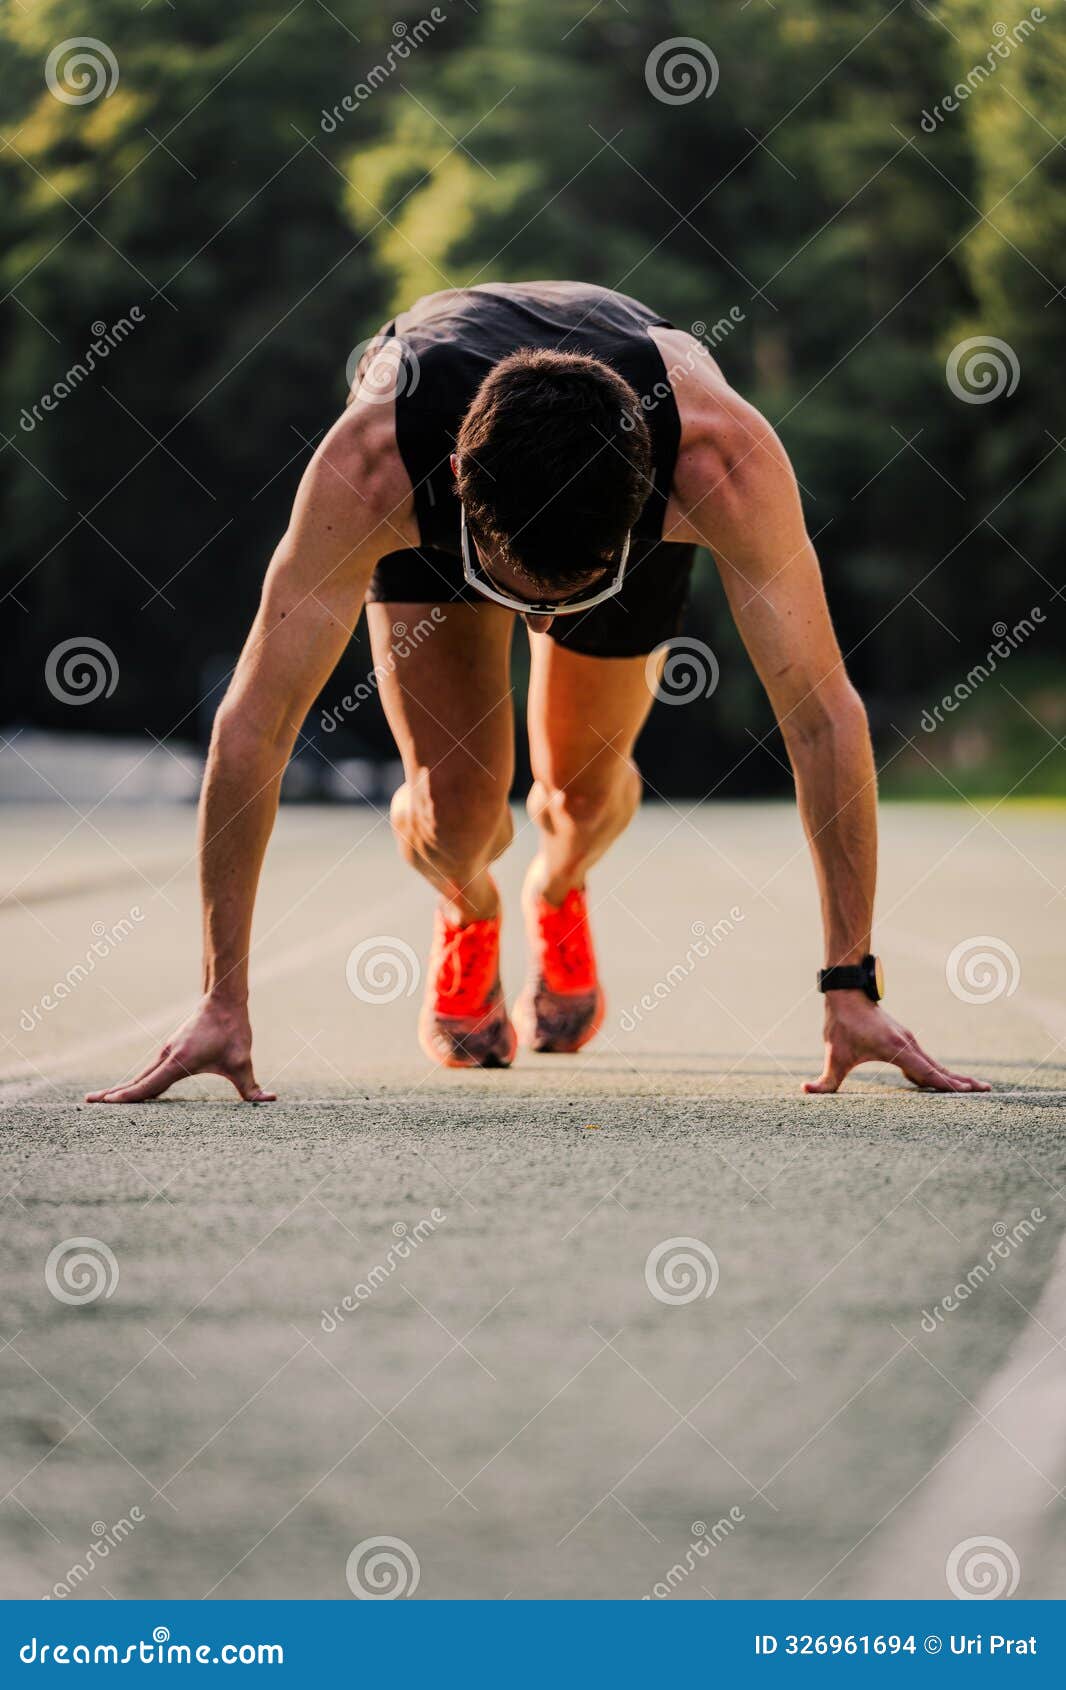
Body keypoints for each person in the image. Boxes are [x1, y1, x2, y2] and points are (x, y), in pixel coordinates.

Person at [87, 281, 988, 1103]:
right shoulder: (375, 465)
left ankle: (557, 886)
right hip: (455, 518)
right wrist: (221, 999)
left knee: (582, 796)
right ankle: (470, 903)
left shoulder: (717, 462)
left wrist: (850, 985)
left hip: (585, 496)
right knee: (458, 819)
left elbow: (823, 716)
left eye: (572, 595)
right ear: (454, 489)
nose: (541, 623)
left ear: (650, 509)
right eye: (524, 596)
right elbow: (255, 721)